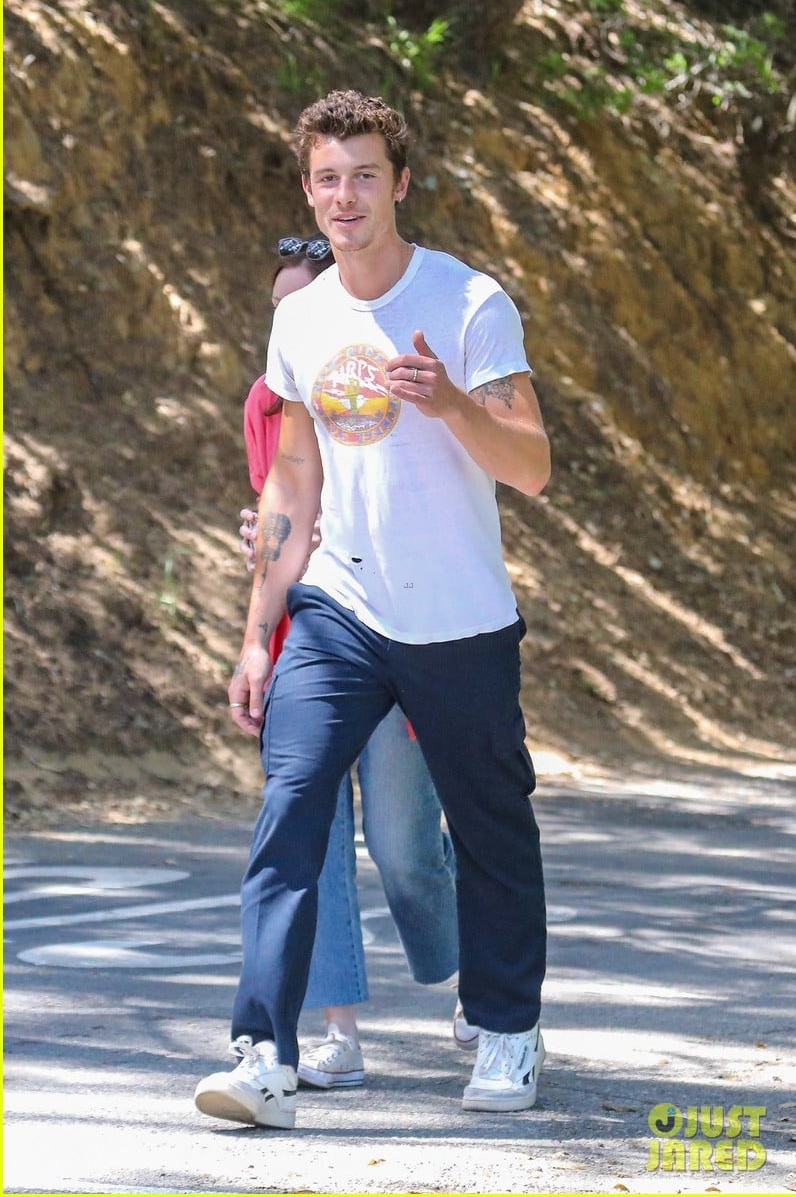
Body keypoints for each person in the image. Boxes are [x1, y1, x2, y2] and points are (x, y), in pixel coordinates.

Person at [195, 89, 550, 1130]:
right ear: (307, 191)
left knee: (486, 826)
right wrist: (257, 633)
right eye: (326, 178)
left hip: (457, 618)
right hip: (339, 609)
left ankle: (506, 1025)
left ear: (399, 183)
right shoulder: (299, 319)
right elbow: (292, 479)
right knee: (292, 804)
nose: (343, 196)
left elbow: (531, 466)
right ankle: (265, 1052)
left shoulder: (469, 300)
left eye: (362, 175)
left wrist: (447, 400)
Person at [237, 234, 470, 1090]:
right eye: (277, 308)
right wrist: (256, 635)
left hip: (396, 630)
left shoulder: (392, 376)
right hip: (308, 642)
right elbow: (281, 514)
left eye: (301, 303)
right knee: (311, 836)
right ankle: (338, 1034)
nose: (288, 321)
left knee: (405, 848)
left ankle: (477, 978)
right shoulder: (268, 400)